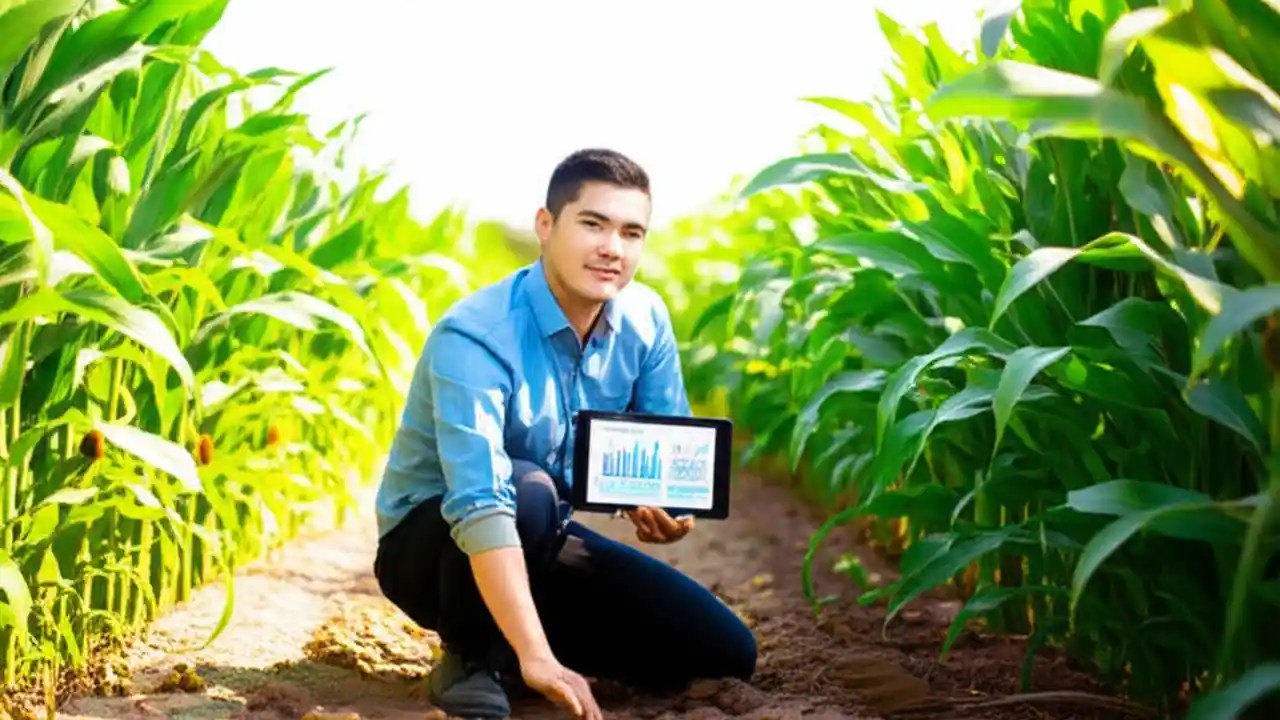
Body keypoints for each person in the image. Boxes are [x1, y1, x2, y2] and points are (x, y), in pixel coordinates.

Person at [372, 148, 757, 719]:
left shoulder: (644, 320)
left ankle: (520, 638)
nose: (612, 248)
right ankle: (474, 656)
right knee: (525, 489)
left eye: (632, 232)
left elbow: (664, 442)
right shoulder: (476, 335)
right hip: (432, 543)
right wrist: (537, 656)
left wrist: (661, 506)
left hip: (542, 537)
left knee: (723, 650)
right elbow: (480, 501)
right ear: (546, 227)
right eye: (593, 224)